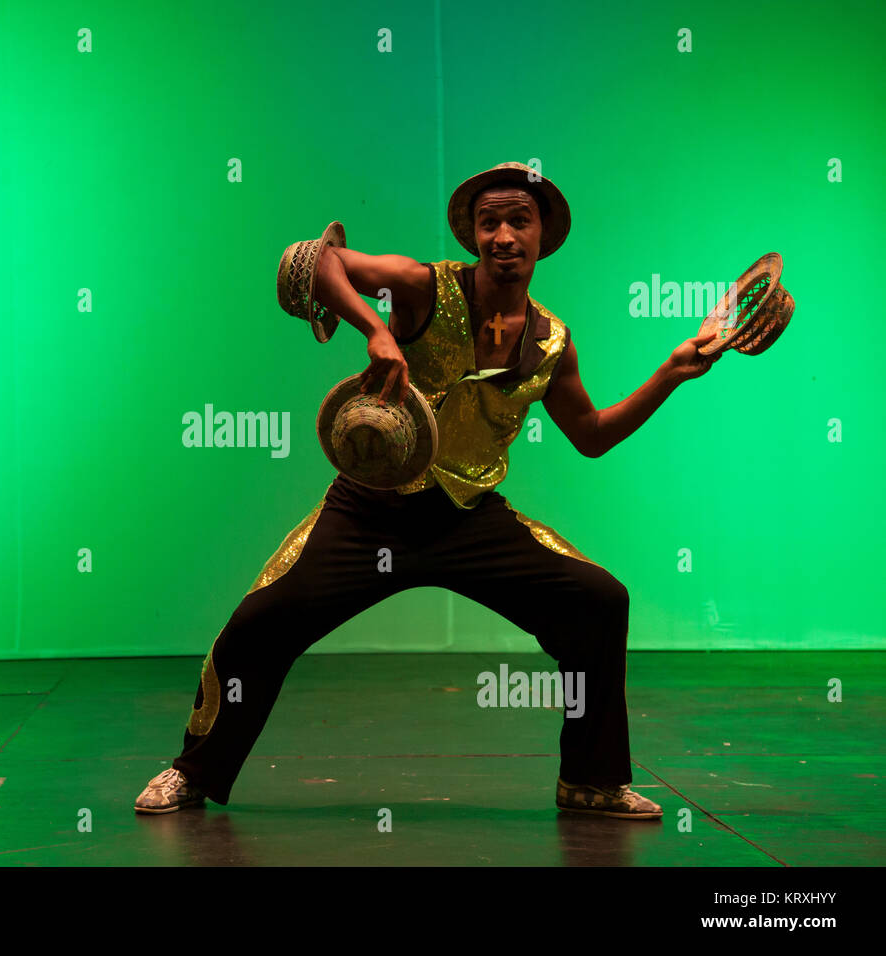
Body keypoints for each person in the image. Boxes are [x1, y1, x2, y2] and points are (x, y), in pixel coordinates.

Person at [135, 162, 720, 820]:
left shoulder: (551, 341)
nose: (502, 234)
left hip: (469, 519)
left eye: (517, 221)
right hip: (366, 513)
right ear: (472, 235)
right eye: (488, 222)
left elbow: (590, 434)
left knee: (597, 601)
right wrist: (376, 329)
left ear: (541, 236)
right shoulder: (422, 287)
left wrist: (670, 374)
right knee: (257, 624)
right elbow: (312, 260)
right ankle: (194, 770)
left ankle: (590, 779)